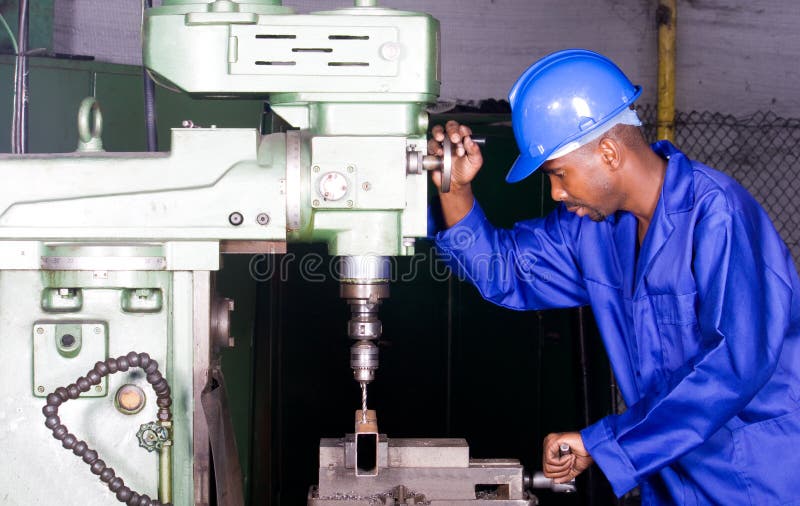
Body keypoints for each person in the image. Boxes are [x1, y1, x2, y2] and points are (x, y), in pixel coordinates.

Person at [428, 49, 800, 504]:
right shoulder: (594, 231)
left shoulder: (718, 214)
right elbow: (502, 270)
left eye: (559, 174)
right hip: (670, 482)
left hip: (758, 479)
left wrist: (605, 440)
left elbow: (735, 365)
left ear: (608, 151)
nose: (557, 192)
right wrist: (456, 186)